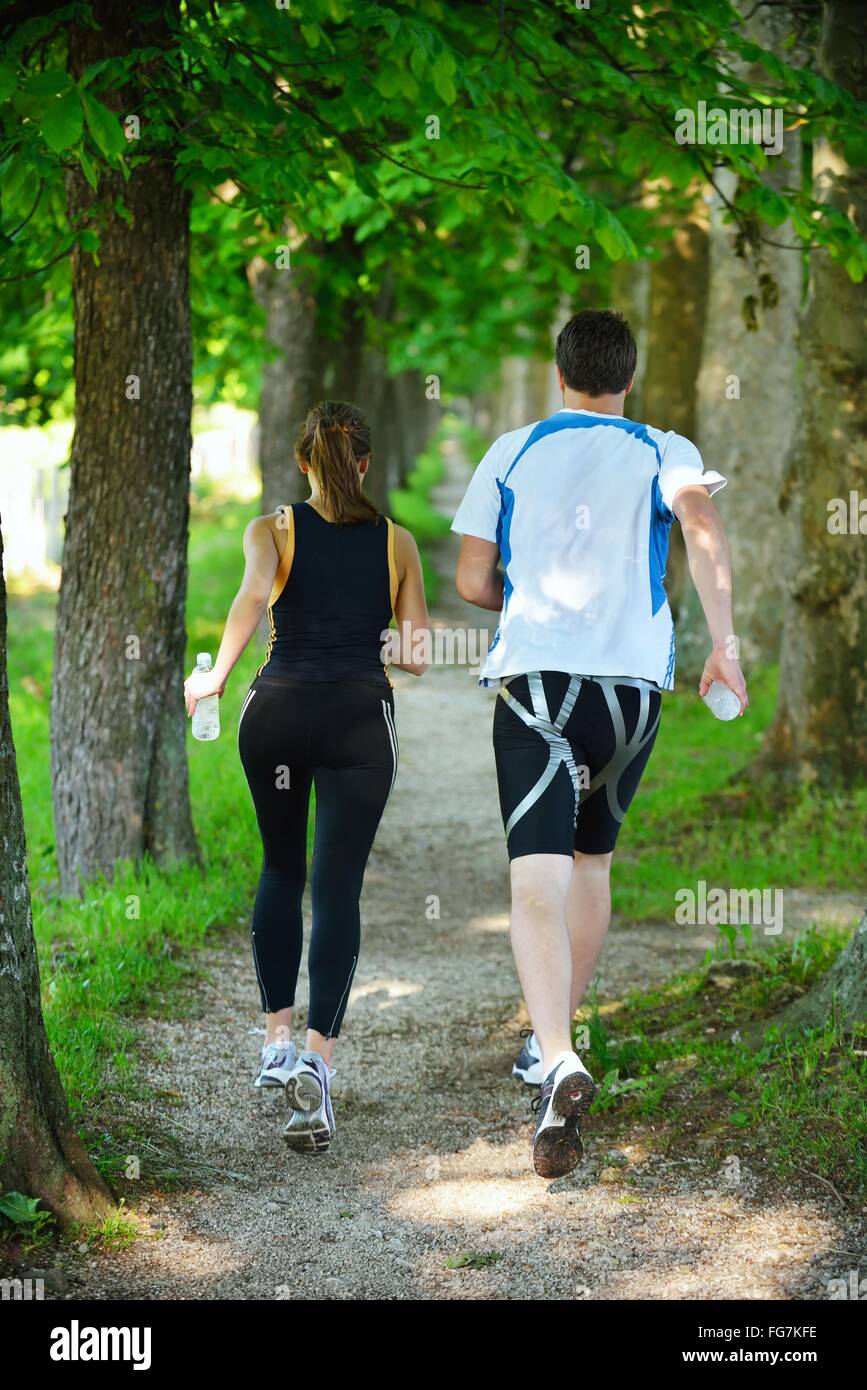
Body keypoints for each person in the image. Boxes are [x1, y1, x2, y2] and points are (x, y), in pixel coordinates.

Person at [452, 310, 748, 1179]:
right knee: (590, 866)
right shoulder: (665, 448)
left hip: (540, 685)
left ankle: (554, 1053)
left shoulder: (511, 450)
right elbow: (700, 528)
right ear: (628, 377)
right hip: (632, 694)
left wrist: (528, 583)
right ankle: (556, 1047)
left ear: (559, 375)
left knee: (533, 875)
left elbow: (472, 578)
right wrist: (723, 643)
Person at [184, 400, 428, 1153]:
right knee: (337, 886)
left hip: (278, 713)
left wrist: (214, 679)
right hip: (359, 720)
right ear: (363, 463)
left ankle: (275, 1043)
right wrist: (370, 641)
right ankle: (318, 1064)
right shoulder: (397, 541)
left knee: (281, 867)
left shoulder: (273, 529)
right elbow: (415, 653)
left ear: (302, 463)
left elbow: (252, 600)